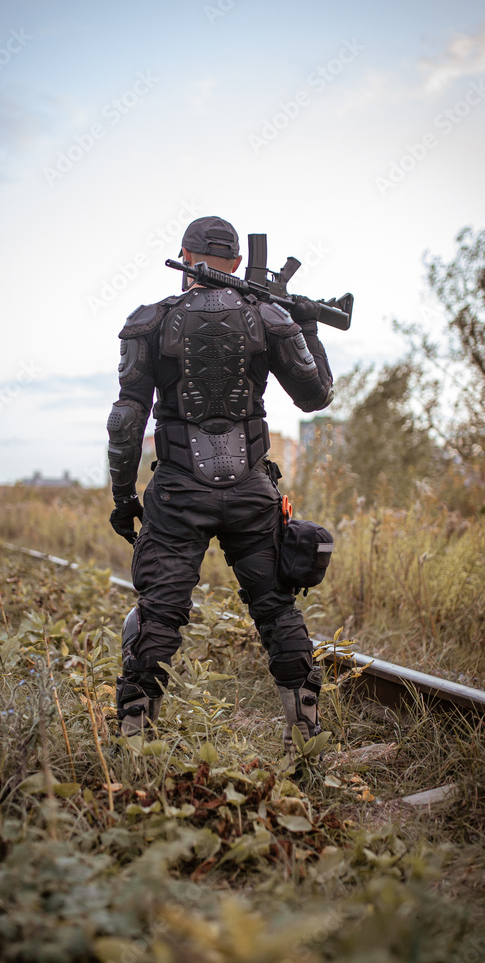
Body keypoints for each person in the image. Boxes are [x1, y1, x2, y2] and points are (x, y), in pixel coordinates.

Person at [106, 215, 334, 756]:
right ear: (235, 263)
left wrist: (122, 495)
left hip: (179, 492)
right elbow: (316, 397)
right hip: (252, 491)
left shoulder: (150, 321)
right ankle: (303, 738)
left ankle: (136, 744)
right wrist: (307, 327)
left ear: (185, 257)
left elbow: (125, 421)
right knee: (277, 609)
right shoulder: (269, 317)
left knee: (159, 610)